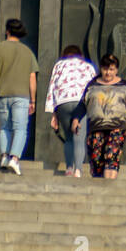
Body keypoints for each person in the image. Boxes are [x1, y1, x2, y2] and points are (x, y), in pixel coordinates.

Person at [0, 18, 38, 175]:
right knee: (20, 128)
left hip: (1, 94)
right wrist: (33, 100)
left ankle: (5, 156)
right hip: (22, 95)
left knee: (5, 127)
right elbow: (32, 78)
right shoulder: (28, 52)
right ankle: (14, 159)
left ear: (7, 31)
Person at [72, 54, 126, 179]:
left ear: (116, 70)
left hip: (117, 127)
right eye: (105, 69)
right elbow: (82, 104)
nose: (108, 73)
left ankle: (109, 188)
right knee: (97, 161)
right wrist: (76, 119)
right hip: (96, 128)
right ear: (101, 69)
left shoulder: (125, 86)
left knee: (111, 158)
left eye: (111, 69)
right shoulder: (92, 85)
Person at [45, 45, 97, 178]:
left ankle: (69, 168)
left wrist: (52, 112)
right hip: (81, 102)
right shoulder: (88, 66)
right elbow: (94, 87)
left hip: (63, 102)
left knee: (68, 138)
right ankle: (78, 170)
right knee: (79, 138)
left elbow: (52, 86)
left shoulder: (59, 65)